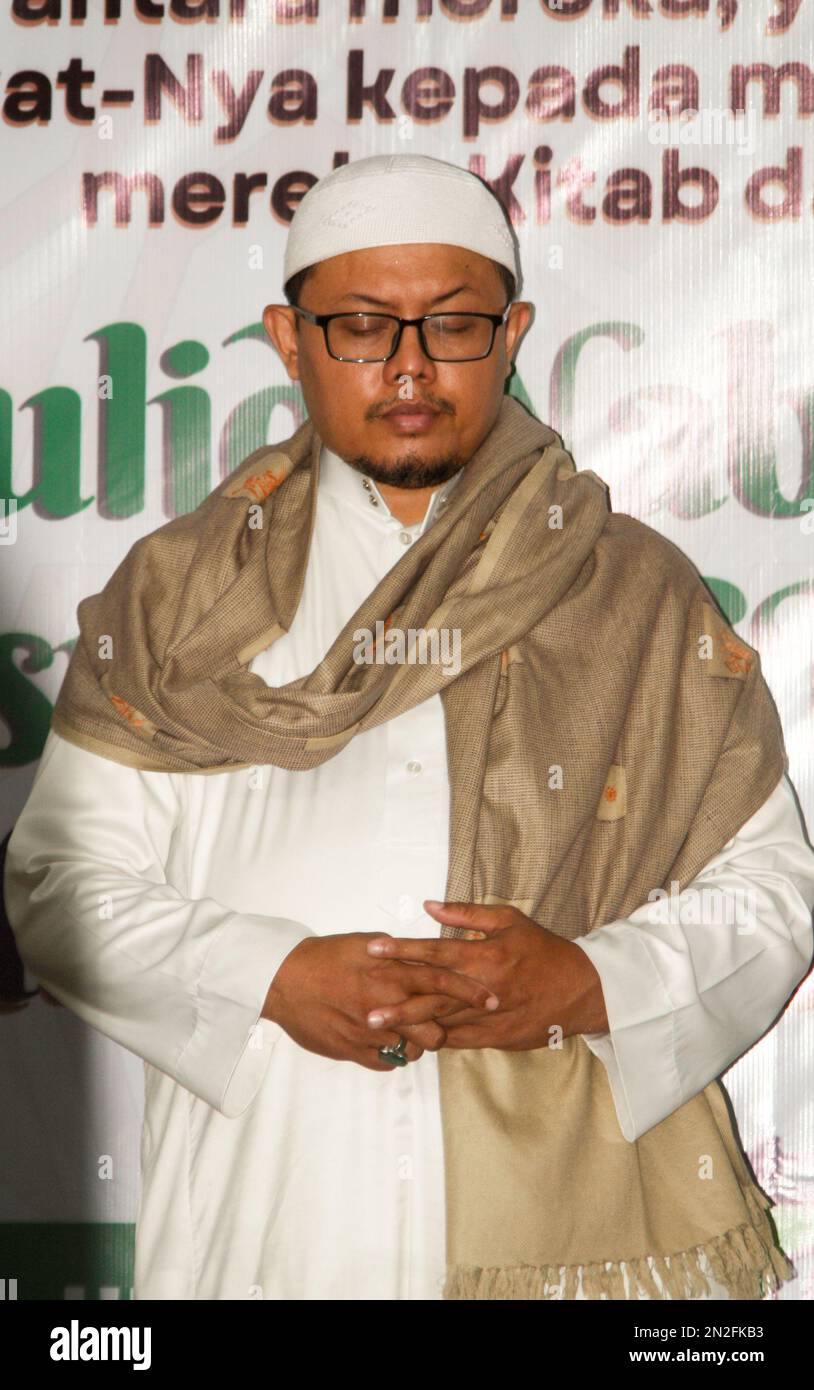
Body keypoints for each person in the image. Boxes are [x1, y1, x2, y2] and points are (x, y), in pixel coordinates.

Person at [5, 153, 814, 1302]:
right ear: (290, 342)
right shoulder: (177, 594)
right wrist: (269, 976)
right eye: (361, 327)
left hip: (573, 1238)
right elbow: (55, 881)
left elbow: (773, 886)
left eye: (453, 325)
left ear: (514, 331)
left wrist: (590, 983)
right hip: (267, 1209)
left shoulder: (632, 590)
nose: (409, 368)